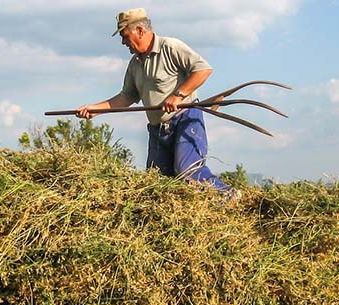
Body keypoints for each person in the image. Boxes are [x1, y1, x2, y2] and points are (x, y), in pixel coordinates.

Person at [76, 8, 230, 193]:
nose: (124, 42)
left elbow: (203, 70)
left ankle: (228, 196)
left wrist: (178, 95)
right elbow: (127, 97)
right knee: (156, 183)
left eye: (125, 36)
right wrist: (95, 109)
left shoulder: (170, 47)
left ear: (140, 30)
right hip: (158, 129)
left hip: (185, 119)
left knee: (187, 171)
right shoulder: (134, 64)